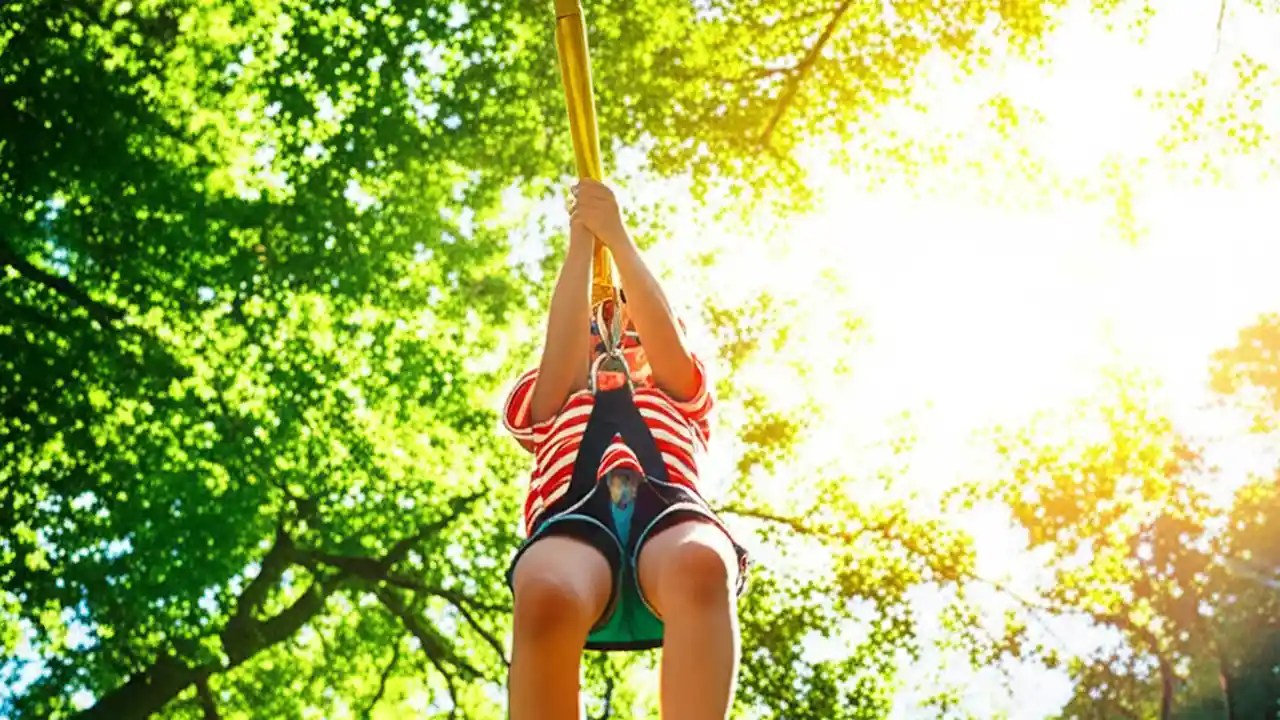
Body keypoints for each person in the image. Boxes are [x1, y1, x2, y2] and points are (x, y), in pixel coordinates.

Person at [502, 179, 749, 720]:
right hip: (573, 520)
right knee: (544, 592)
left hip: (666, 512)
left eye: (622, 324)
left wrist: (616, 237)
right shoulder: (556, 399)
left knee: (703, 563)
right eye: (596, 328)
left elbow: (666, 340)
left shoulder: (677, 394)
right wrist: (581, 248)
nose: (608, 331)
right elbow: (561, 356)